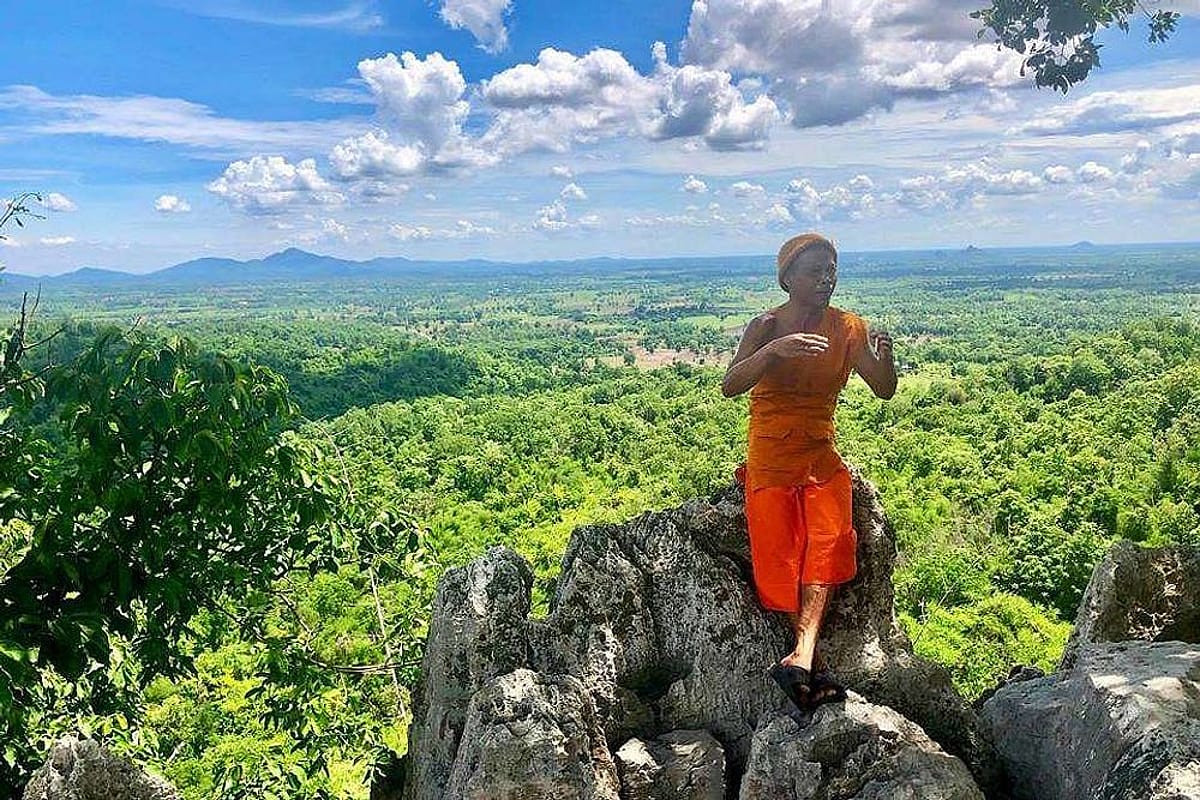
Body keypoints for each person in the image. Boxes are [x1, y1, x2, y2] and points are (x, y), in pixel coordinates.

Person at [721, 232, 896, 713]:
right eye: (815, 271)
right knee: (780, 551)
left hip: (820, 451)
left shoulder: (848, 329)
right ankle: (802, 659)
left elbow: (882, 389)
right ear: (788, 279)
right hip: (772, 452)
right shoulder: (766, 325)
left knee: (831, 538)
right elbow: (731, 385)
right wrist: (773, 352)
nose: (826, 279)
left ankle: (801, 656)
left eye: (831, 270)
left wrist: (889, 361)